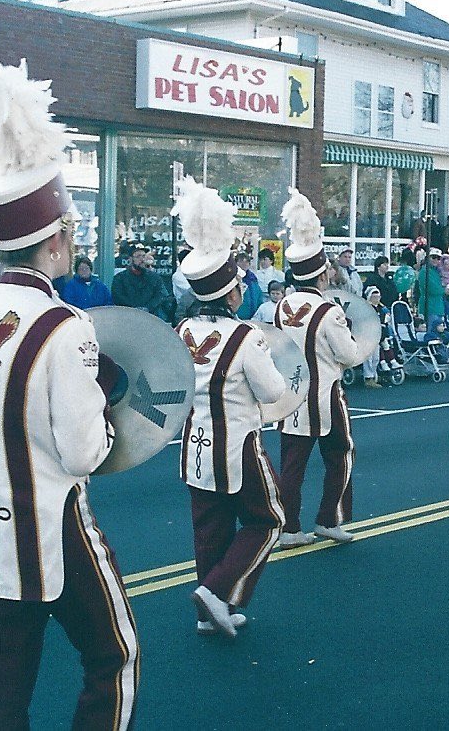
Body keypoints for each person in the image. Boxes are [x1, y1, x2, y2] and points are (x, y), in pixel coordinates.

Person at [0, 58, 137, 729]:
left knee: (0, 693)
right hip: (51, 522)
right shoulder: (64, 325)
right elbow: (84, 451)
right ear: (58, 235)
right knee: (116, 656)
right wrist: (113, 413)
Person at [170, 177, 286, 638]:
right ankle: (218, 592)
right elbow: (274, 391)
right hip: (238, 444)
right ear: (231, 293)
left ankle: (209, 611)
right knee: (268, 518)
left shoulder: (182, 331)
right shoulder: (245, 336)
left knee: (209, 528)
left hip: (195, 446)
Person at [275, 190, 364, 546]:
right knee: (340, 456)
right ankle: (330, 519)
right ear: (322, 275)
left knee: (291, 469)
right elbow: (350, 355)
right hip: (326, 397)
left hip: (290, 397)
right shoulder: (330, 311)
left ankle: (289, 528)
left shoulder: (283, 306)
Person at [112, 241, 171, 319]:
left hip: (151, 318)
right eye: (138, 256)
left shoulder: (154, 277)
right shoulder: (120, 278)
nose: (142, 259)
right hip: (127, 318)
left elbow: (160, 295)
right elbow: (118, 297)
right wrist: (134, 309)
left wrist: (147, 308)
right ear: (130, 259)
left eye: (143, 256)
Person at [414, 249, 446, 325]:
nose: (436, 260)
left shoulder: (437, 272)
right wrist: (444, 290)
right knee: (431, 333)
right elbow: (432, 289)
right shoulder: (424, 271)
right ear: (427, 258)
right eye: (433, 257)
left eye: (438, 258)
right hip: (429, 308)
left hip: (438, 308)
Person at [234, 251, 264, 320]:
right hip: (237, 318)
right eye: (241, 261)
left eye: (247, 261)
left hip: (253, 318)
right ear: (236, 263)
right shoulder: (232, 278)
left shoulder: (253, 279)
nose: (244, 264)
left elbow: (259, 297)